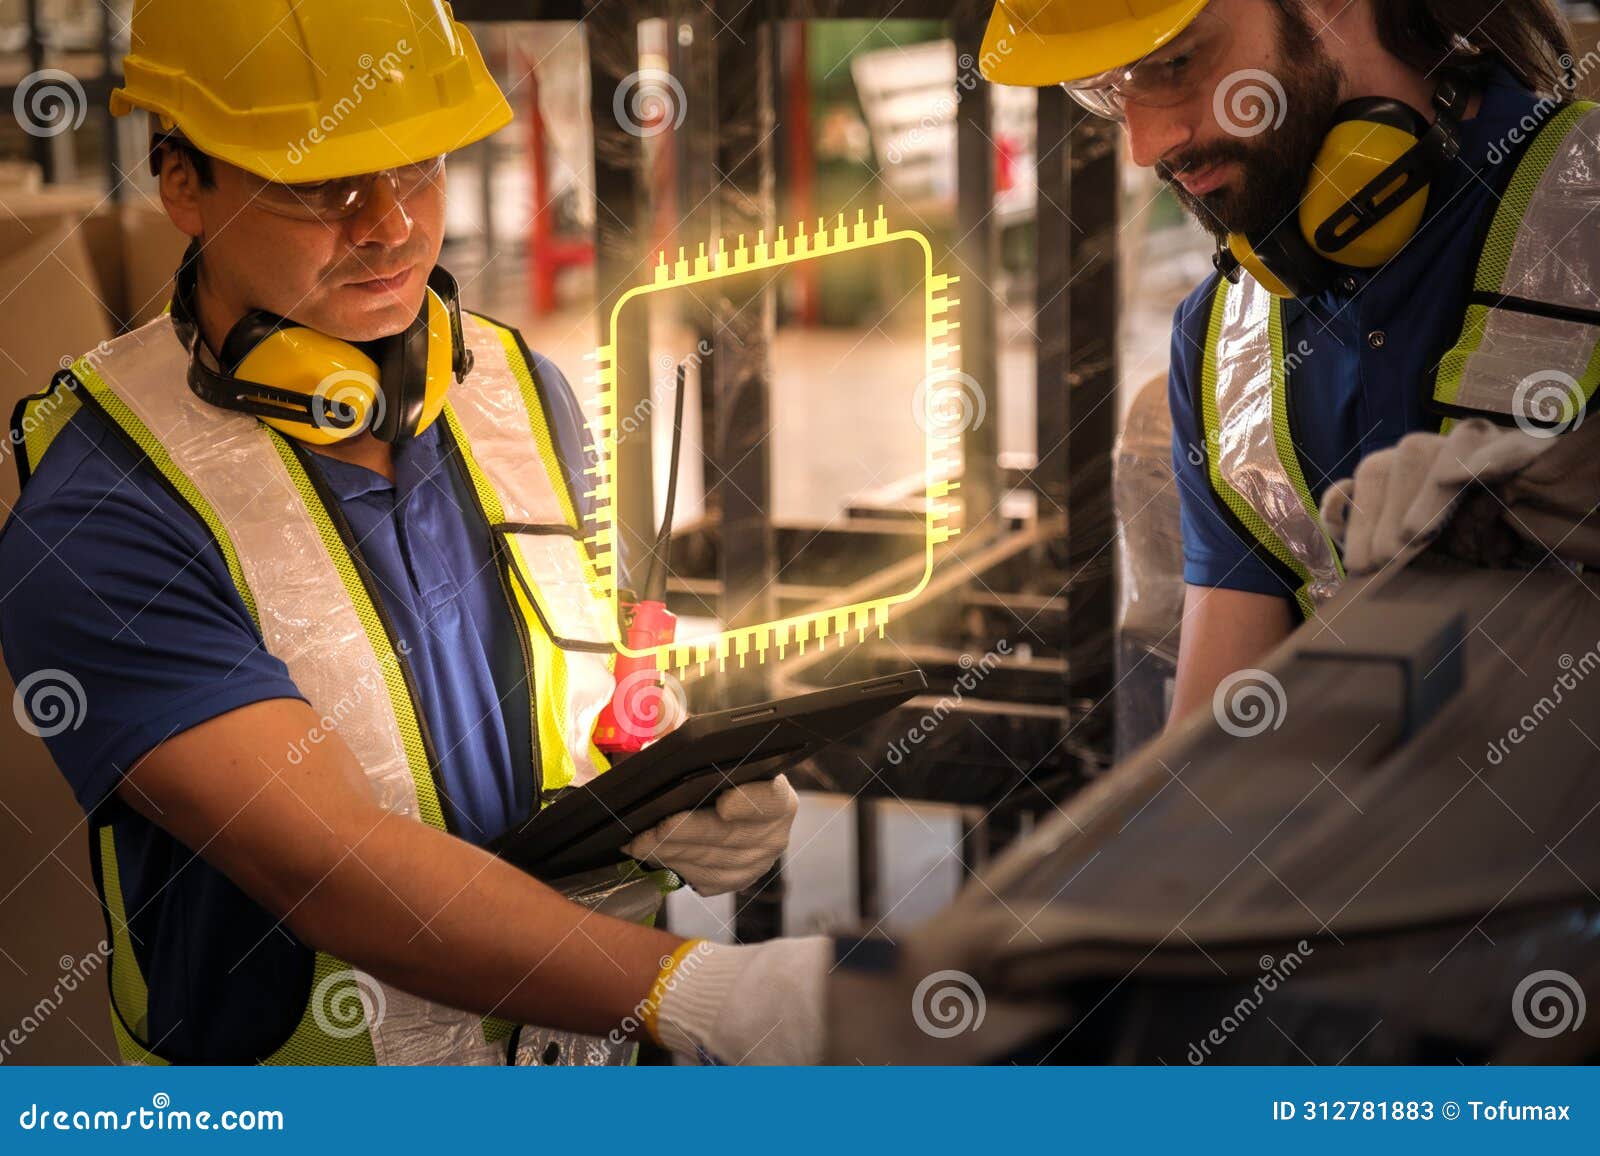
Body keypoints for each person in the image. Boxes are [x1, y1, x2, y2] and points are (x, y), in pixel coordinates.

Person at [0, 0, 827, 1066]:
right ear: (181, 183)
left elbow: (589, 687)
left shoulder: (519, 389)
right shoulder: (104, 511)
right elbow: (332, 868)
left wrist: (687, 785)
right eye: (320, 182)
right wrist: (708, 989)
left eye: (418, 166)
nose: (389, 223)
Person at [980, 0, 1592, 723]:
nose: (1146, 144)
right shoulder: (1219, 341)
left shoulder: (1580, 208)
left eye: (1175, 63)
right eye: (1109, 90)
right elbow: (1207, 769)